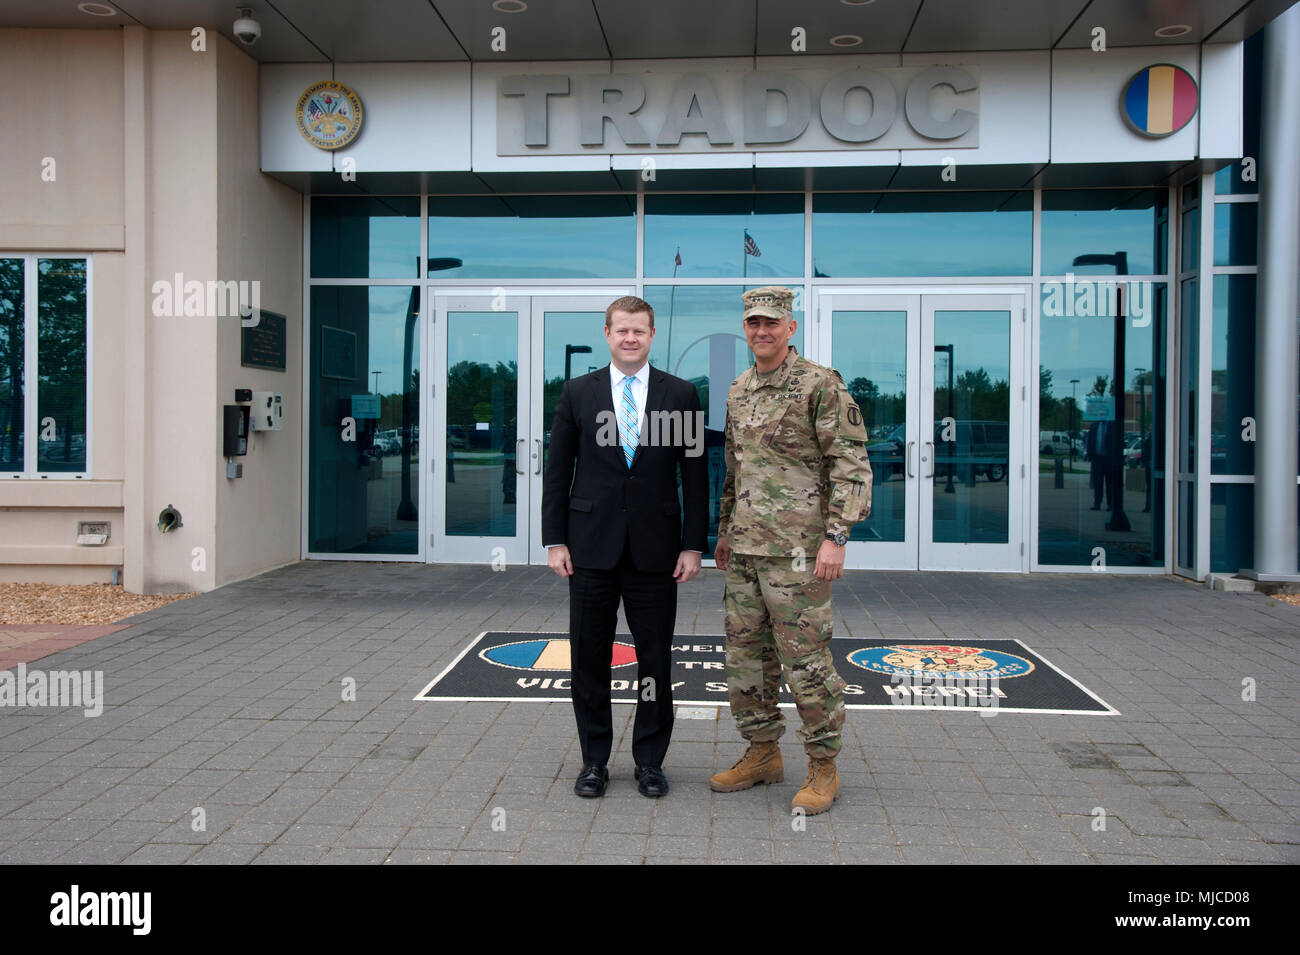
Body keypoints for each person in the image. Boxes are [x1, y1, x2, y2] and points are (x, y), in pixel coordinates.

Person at [710, 286, 872, 815]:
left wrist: (837, 537)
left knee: (805, 661)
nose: (762, 331)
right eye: (754, 323)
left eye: (772, 323)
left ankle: (824, 765)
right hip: (747, 548)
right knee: (746, 659)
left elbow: (850, 463)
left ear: (790, 328)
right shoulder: (738, 388)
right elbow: (735, 467)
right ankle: (762, 752)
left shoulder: (820, 384)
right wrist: (725, 529)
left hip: (801, 552)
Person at [542, 295, 708, 799]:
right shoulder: (577, 392)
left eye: (639, 330)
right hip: (589, 549)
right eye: (621, 330)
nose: (630, 338)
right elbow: (558, 471)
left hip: (656, 552)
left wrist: (693, 545)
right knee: (589, 659)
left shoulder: (681, 394)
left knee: (655, 659)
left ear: (652, 335)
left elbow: (695, 474)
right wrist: (554, 540)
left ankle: (650, 762)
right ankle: (594, 761)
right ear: (607, 334)